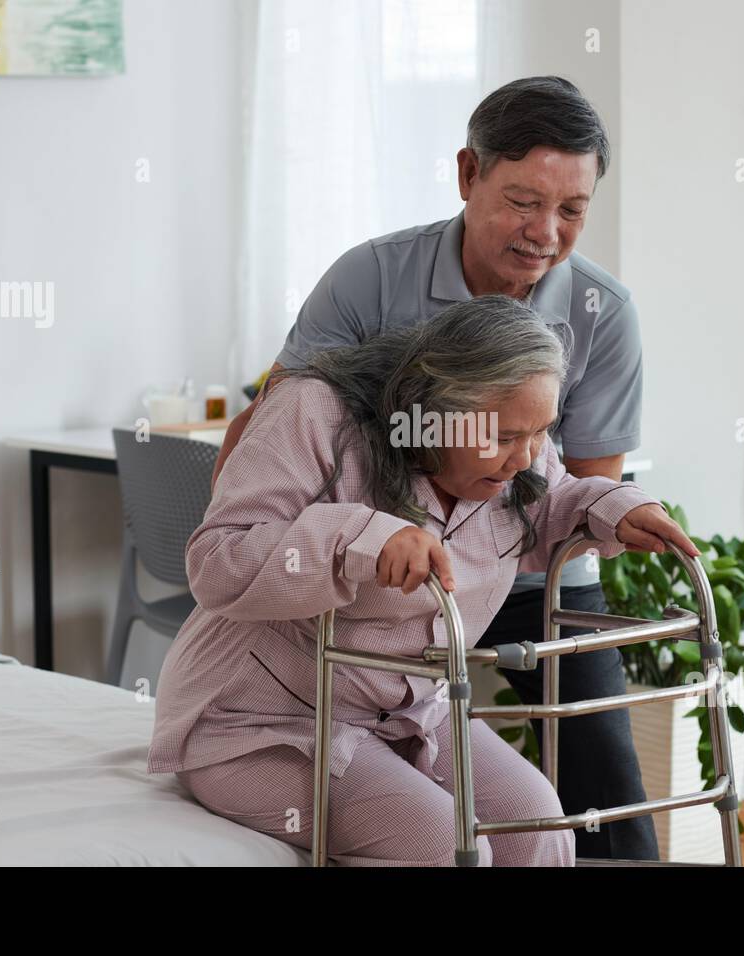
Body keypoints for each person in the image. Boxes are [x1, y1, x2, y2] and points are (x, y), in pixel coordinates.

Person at [211, 75, 660, 861]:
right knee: (419, 801)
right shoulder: (371, 280)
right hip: (374, 570)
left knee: (606, 802)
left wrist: (610, 510)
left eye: (572, 210)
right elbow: (277, 420)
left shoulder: (603, 313)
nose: (545, 231)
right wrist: (247, 541)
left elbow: (565, 483)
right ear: (467, 173)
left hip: (523, 569)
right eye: (523, 200)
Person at [150, 299, 697, 866]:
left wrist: (614, 504)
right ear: (433, 409)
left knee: (540, 829)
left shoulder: (521, 448)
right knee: (443, 844)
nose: (525, 458)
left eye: (540, 433)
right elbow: (217, 560)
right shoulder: (313, 413)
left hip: (414, 714)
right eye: (506, 436)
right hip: (259, 722)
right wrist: (357, 538)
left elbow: (553, 497)